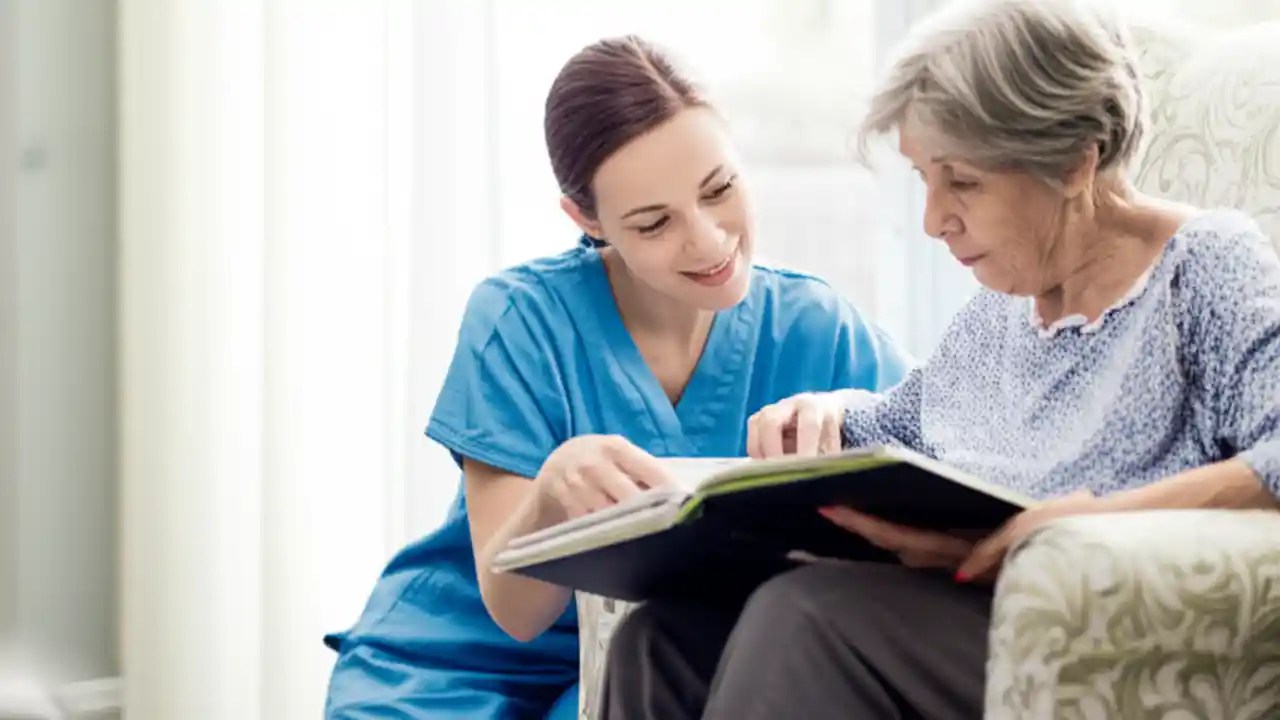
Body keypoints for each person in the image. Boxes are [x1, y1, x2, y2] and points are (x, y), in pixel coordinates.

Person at [601, 2, 1280, 718]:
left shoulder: (1204, 268)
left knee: (803, 616)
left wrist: (1087, 521)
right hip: (957, 614)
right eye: (925, 177)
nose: (933, 220)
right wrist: (828, 417)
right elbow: (911, 426)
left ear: (1075, 159)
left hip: (1098, 637)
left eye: (963, 181)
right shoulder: (1004, 305)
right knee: (660, 640)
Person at [321, 35, 911, 719]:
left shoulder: (819, 329)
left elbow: (954, 476)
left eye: (720, 189)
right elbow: (515, 612)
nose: (710, 240)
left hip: (671, 657)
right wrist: (550, 498)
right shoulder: (519, 318)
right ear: (588, 221)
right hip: (456, 668)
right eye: (654, 222)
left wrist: (859, 417)